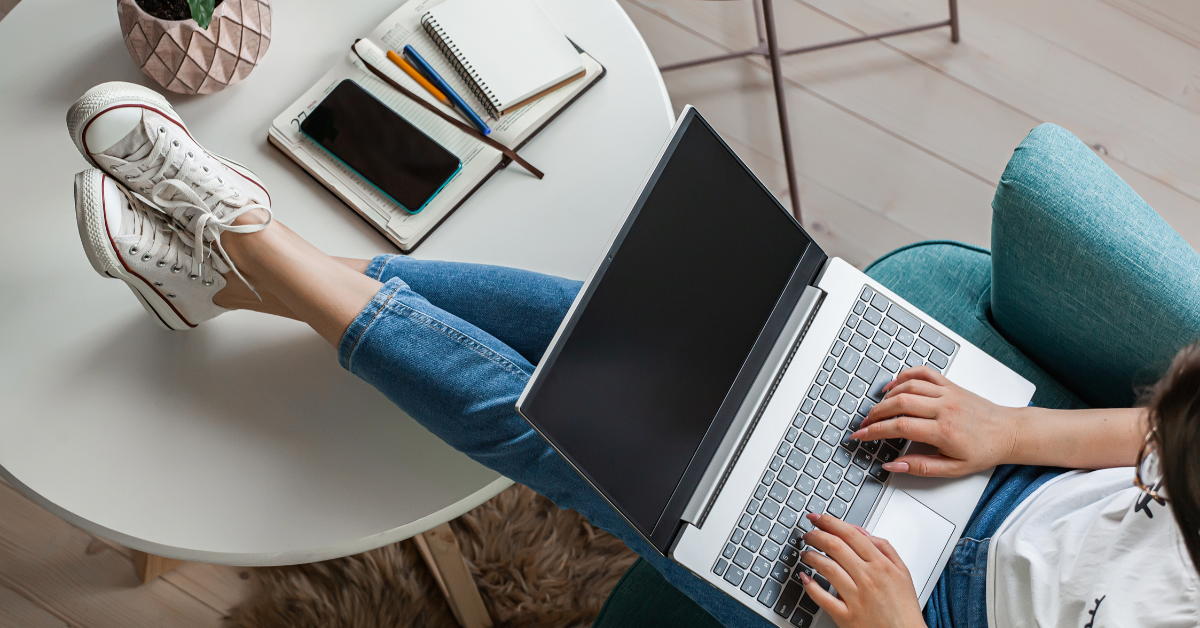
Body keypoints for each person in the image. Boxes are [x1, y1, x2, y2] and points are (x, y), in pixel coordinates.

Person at [66, 82, 1198, 627]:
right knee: (641, 333)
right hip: (1000, 475)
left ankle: (245, 240)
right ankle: (226, 277)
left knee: (586, 434)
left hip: (927, 611)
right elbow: (1165, 429)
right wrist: (1011, 428)